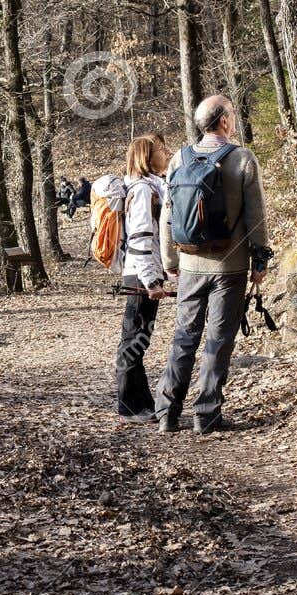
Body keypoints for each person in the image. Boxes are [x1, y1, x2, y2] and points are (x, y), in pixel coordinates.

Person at [155, 95, 271, 434]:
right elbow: (256, 217)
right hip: (229, 267)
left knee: (184, 338)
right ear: (223, 122)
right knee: (218, 340)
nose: (233, 118)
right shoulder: (242, 159)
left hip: (190, 265)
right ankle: (206, 414)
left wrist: (170, 259)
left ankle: (167, 412)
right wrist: (260, 259)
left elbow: (168, 214)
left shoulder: (179, 157)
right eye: (232, 114)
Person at [115, 134, 172, 422]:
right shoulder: (141, 191)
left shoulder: (149, 188)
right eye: (160, 150)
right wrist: (151, 281)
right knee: (134, 339)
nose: (166, 153)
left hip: (143, 273)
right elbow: (140, 237)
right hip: (140, 275)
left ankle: (142, 403)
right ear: (146, 157)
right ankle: (129, 406)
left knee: (139, 339)